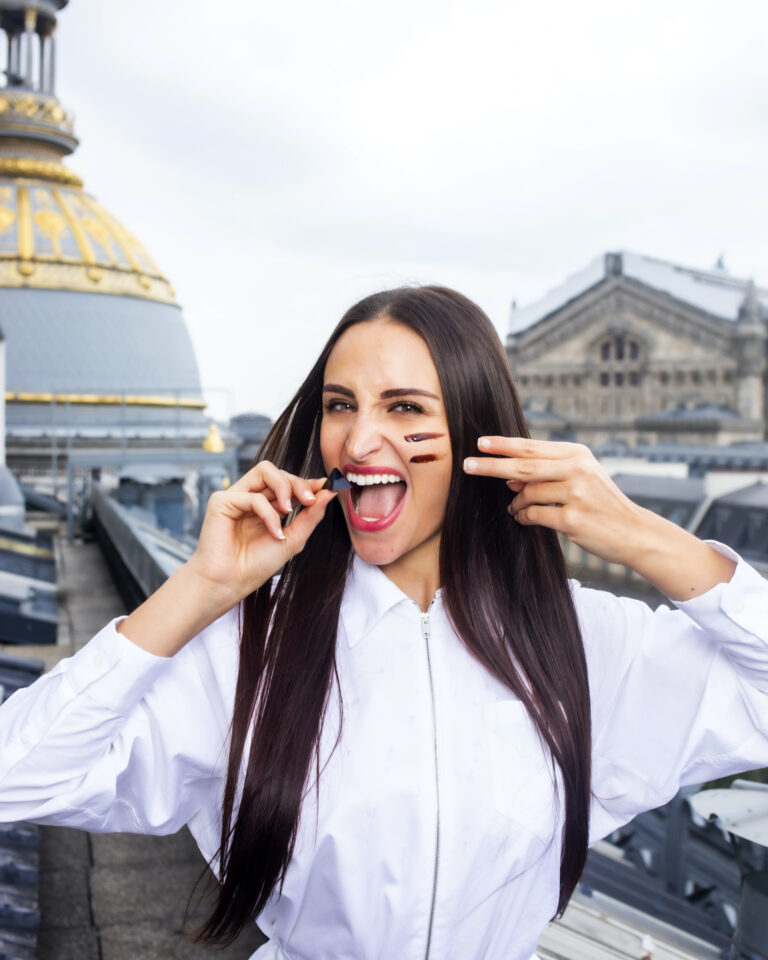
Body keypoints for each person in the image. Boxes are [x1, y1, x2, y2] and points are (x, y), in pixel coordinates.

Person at [1, 285, 768, 960]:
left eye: (404, 408)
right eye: (341, 406)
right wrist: (200, 588)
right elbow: (21, 777)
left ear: (480, 436)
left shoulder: (582, 642)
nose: (360, 440)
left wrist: (642, 534)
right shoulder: (250, 647)